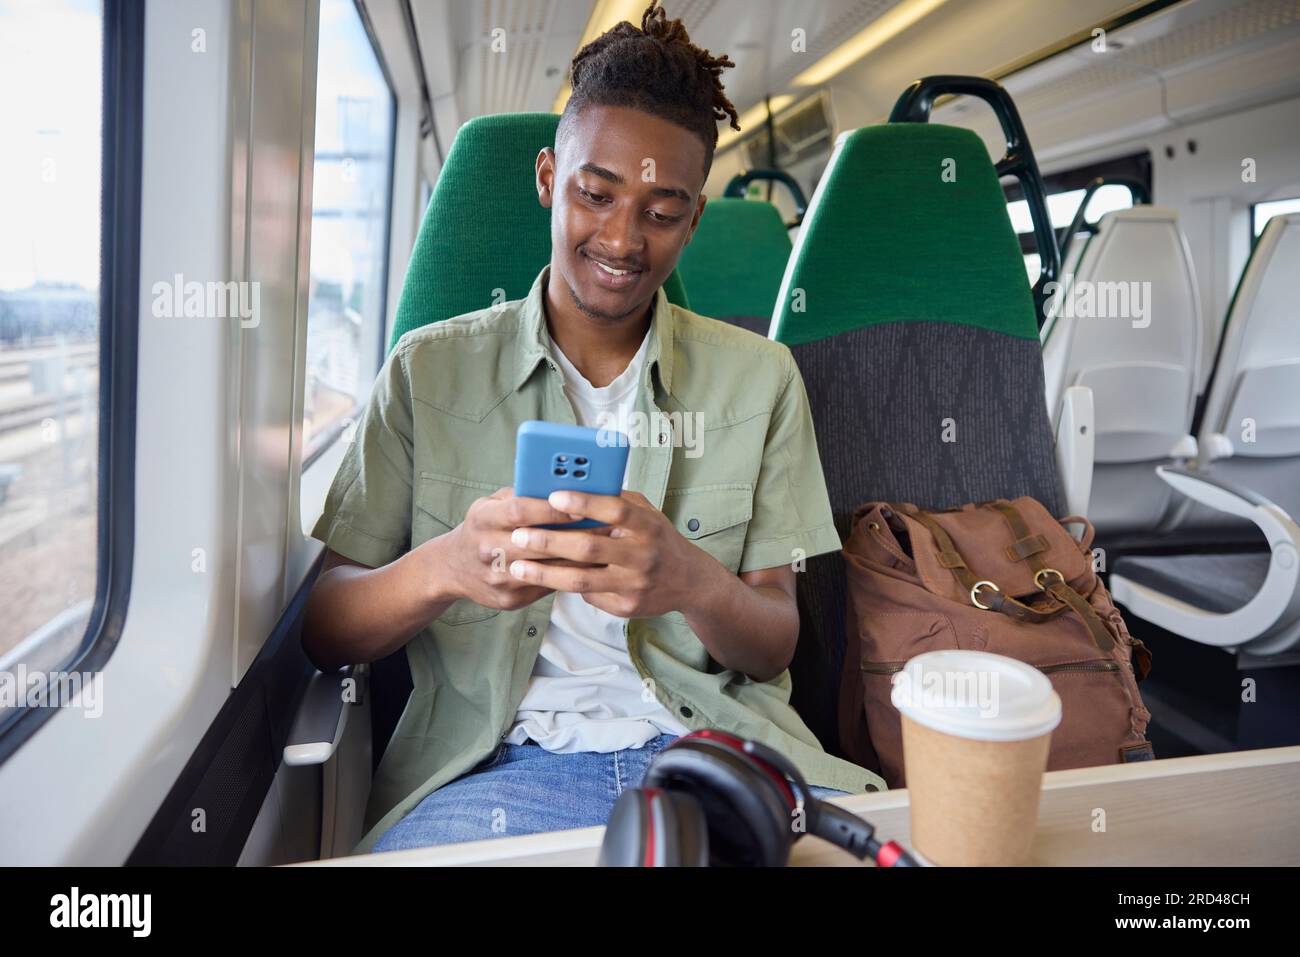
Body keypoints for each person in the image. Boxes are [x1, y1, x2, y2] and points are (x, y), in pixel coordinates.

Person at [303, 0, 885, 855]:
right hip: (499, 774)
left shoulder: (761, 379)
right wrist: (449, 565)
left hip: (716, 754)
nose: (622, 239)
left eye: (661, 211)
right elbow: (326, 625)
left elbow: (773, 645)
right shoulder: (426, 373)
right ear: (549, 178)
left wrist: (690, 580)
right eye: (596, 194)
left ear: (694, 218)